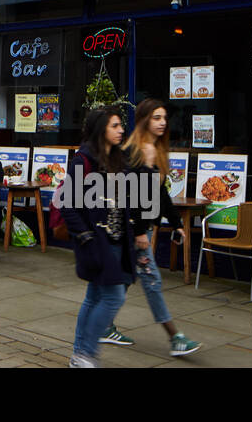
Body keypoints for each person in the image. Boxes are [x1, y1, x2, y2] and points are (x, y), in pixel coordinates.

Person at [101, 98, 202, 357]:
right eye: (156, 117)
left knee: (125, 280)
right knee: (152, 280)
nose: (163, 122)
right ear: (145, 119)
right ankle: (175, 337)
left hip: (142, 229)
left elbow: (159, 192)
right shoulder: (134, 152)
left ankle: (103, 325)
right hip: (134, 230)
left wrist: (177, 223)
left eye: (164, 118)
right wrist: (137, 232)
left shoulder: (154, 150)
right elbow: (129, 195)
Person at [62, 106, 137, 367]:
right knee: (114, 297)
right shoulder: (83, 161)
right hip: (97, 242)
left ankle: (79, 354)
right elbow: (68, 205)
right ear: (100, 129)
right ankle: (86, 353)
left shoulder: (119, 160)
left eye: (120, 125)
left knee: (94, 297)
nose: (121, 130)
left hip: (118, 241)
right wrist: (85, 236)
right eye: (114, 126)